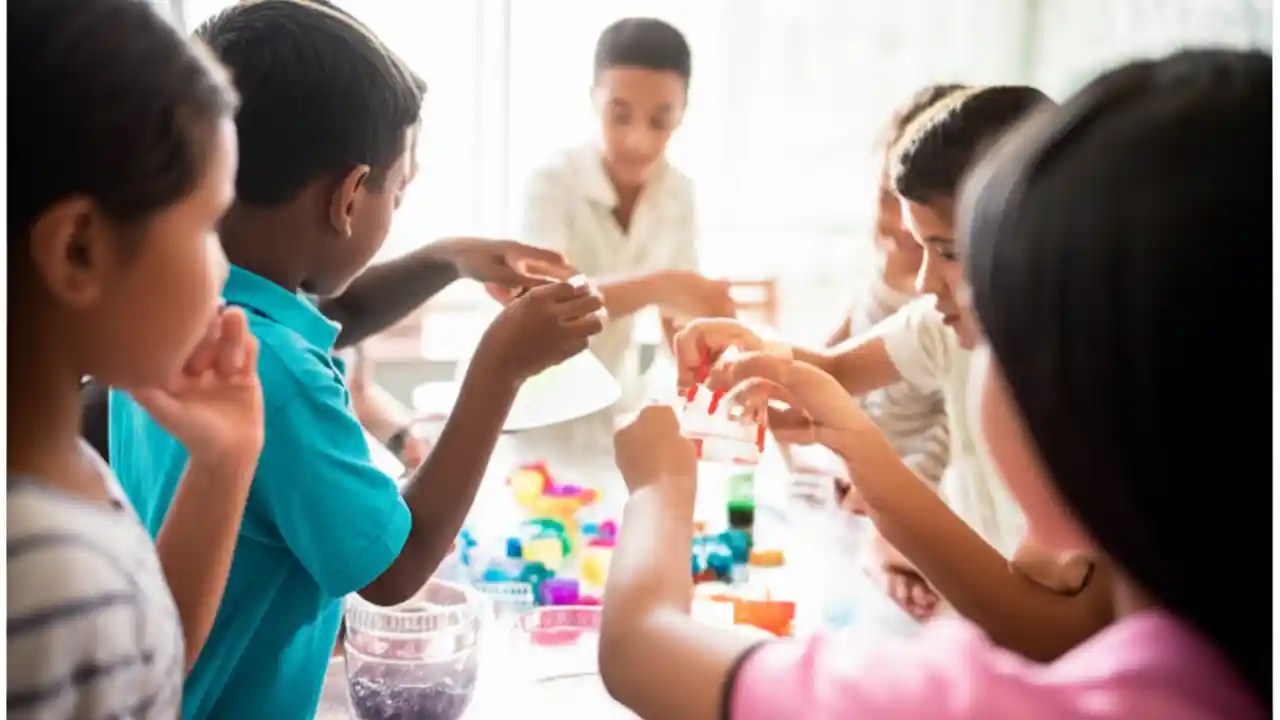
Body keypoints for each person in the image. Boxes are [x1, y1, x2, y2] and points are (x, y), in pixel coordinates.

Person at [601, 48, 1270, 719]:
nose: (929, 288)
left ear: (1082, 395)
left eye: (1000, 331)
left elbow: (640, 652)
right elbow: (832, 368)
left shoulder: (970, 702)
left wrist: (660, 489)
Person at [107, 3, 604, 718]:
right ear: (348, 198)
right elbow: (396, 569)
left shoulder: (175, 309)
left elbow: (334, 313)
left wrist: (450, 258)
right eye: (397, 191)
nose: (397, 207)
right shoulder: (276, 375)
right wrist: (500, 369)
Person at [9, 0, 264, 715]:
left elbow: (140, 663)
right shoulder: (40, 577)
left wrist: (223, 464)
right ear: (78, 250)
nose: (223, 267)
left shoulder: (58, 471)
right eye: (209, 225)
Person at [515, 17, 735, 456]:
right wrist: (664, 286)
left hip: (614, 410)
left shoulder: (679, 193)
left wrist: (712, 349)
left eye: (661, 119)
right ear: (593, 98)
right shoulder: (552, 182)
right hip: (532, 409)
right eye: (620, 116)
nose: (639, 140)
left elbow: (679, 320)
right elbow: (546, 307)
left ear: (684, 111)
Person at [812, 83, 964, 621]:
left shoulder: (946, 302)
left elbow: (950, 434)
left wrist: (890, 499)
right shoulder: (875, 268)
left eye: (914, 208)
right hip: (864, 489)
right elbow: (834, 357)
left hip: (914, 498)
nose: (899, 223)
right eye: (886, 198)